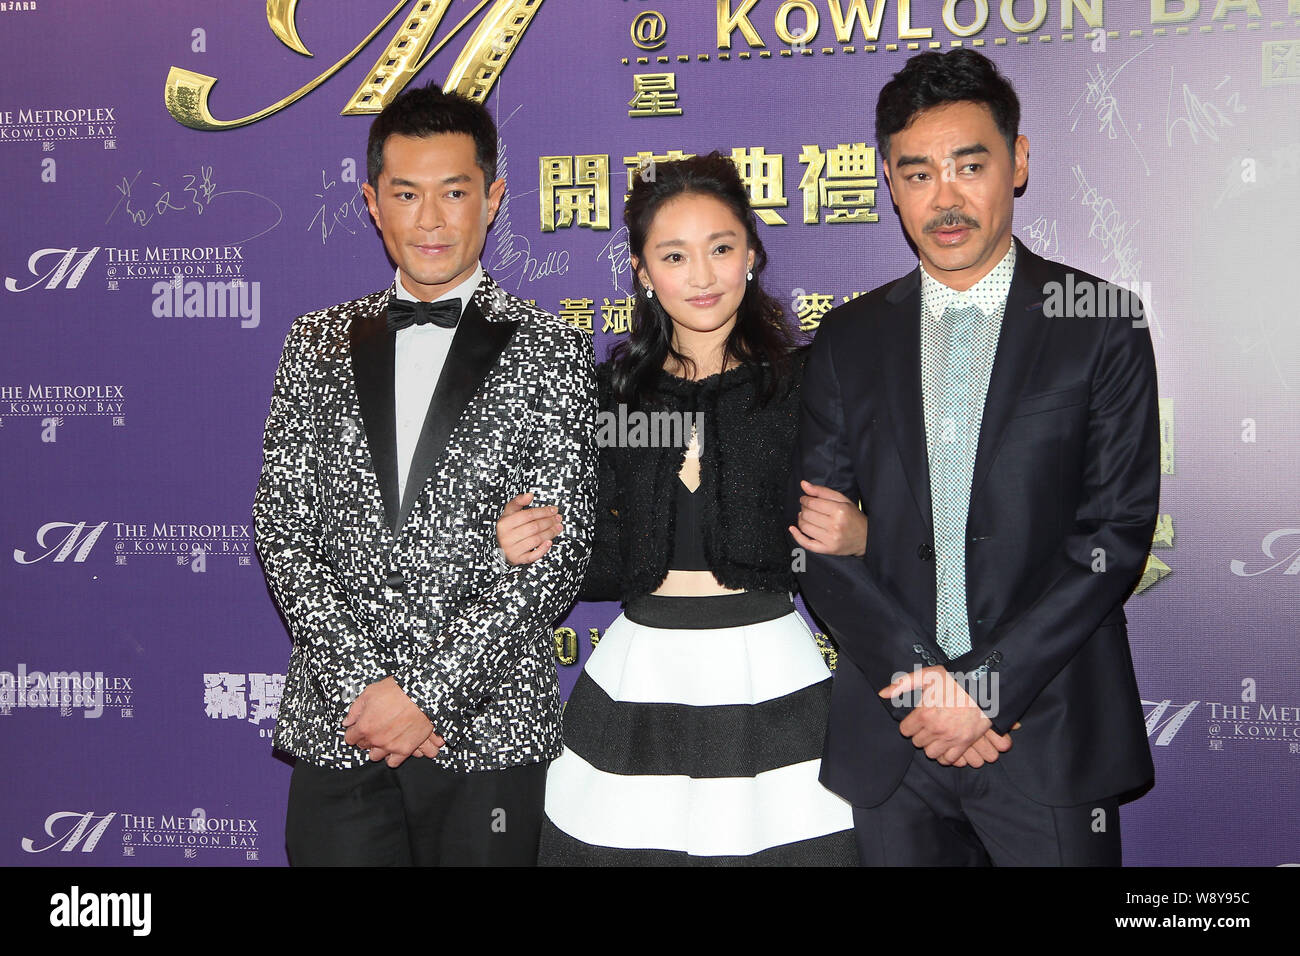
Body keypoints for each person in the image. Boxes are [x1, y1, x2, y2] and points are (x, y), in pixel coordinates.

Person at [791, 49, 1159, 866]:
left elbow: (1116, 535)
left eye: (970, 164)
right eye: (918, 173)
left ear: (1018, 161)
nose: (945, 198)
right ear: (888, 180)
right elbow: (813, 542)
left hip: (1047, 727)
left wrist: (985, 691)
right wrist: (930, 689)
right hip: (896, 733)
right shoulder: (848, 339)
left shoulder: (1099, 323)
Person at [252, 81, 595, 866]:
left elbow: (555, 556)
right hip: (342, 727)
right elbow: (283, 528)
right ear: (373, 203)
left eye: (454, 193)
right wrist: (369, 692)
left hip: (485, 729)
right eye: (407, 195)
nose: (432, 220)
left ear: (494, 196)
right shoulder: (315, 343)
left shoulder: (552, 350)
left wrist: (425, 695)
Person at [504, 153, 861, 865]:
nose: (701, 276)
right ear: (642, 270)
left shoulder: (802, 383)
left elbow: (878, 522)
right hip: (642, 675)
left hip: (771, 671)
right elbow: (607, 567)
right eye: (674, 255)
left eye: (721, 249)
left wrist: (860, 534)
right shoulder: (613, 394)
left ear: (752, 255)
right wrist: (544, 539)